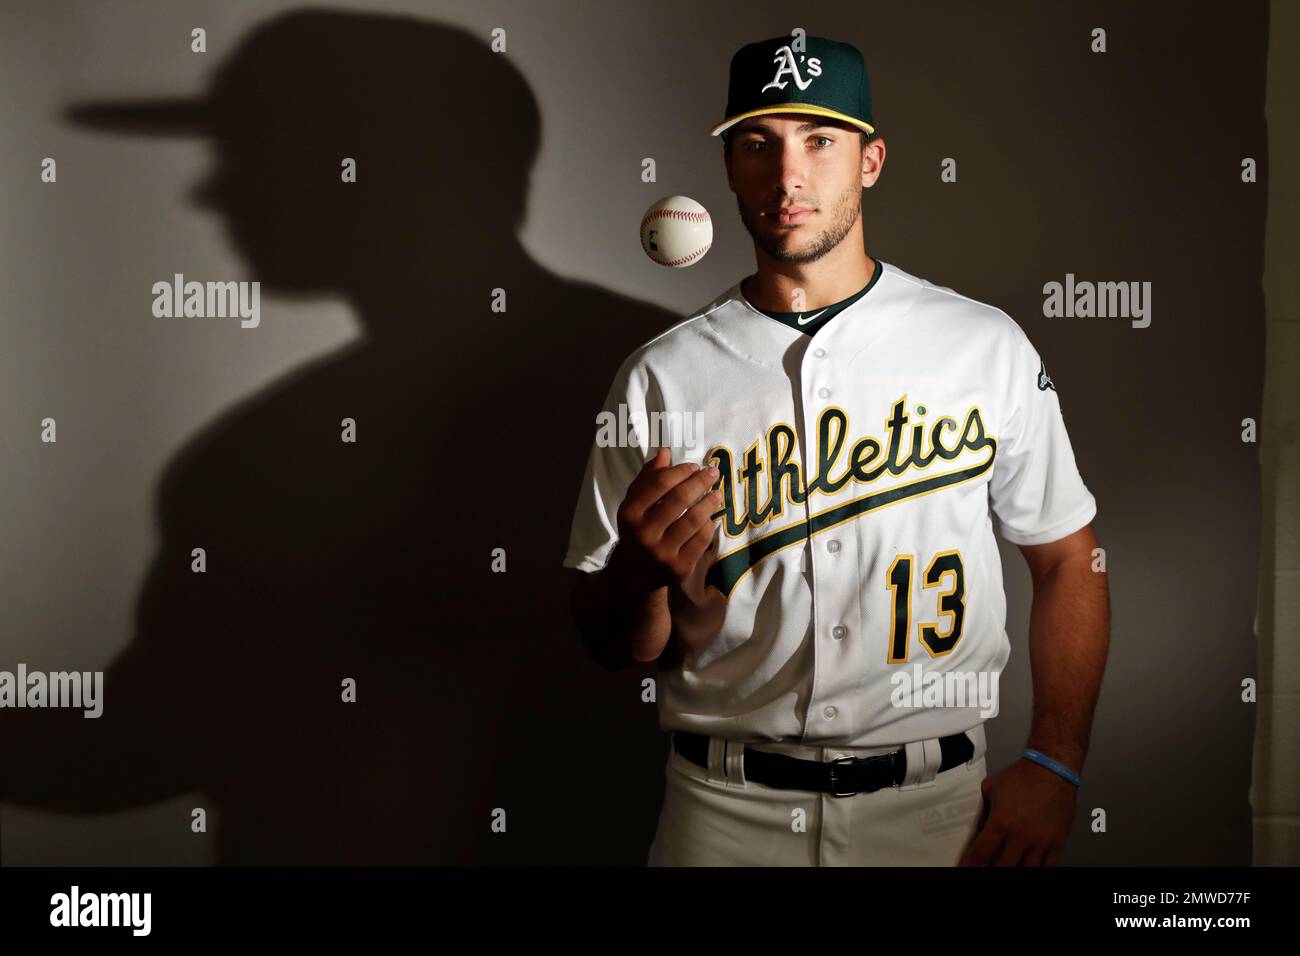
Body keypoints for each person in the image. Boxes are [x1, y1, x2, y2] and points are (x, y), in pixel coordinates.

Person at [563, 33, 1110, 866]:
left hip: (936, 811)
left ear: (871, 161)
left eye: (819, 141)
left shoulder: (983, 345)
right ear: (730, 171)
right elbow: (615, 645)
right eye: (759, 143)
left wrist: (1056, 764)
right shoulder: (661, 376)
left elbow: (1071, 560)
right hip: (722, 813)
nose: (788, 175)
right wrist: (638, 580)